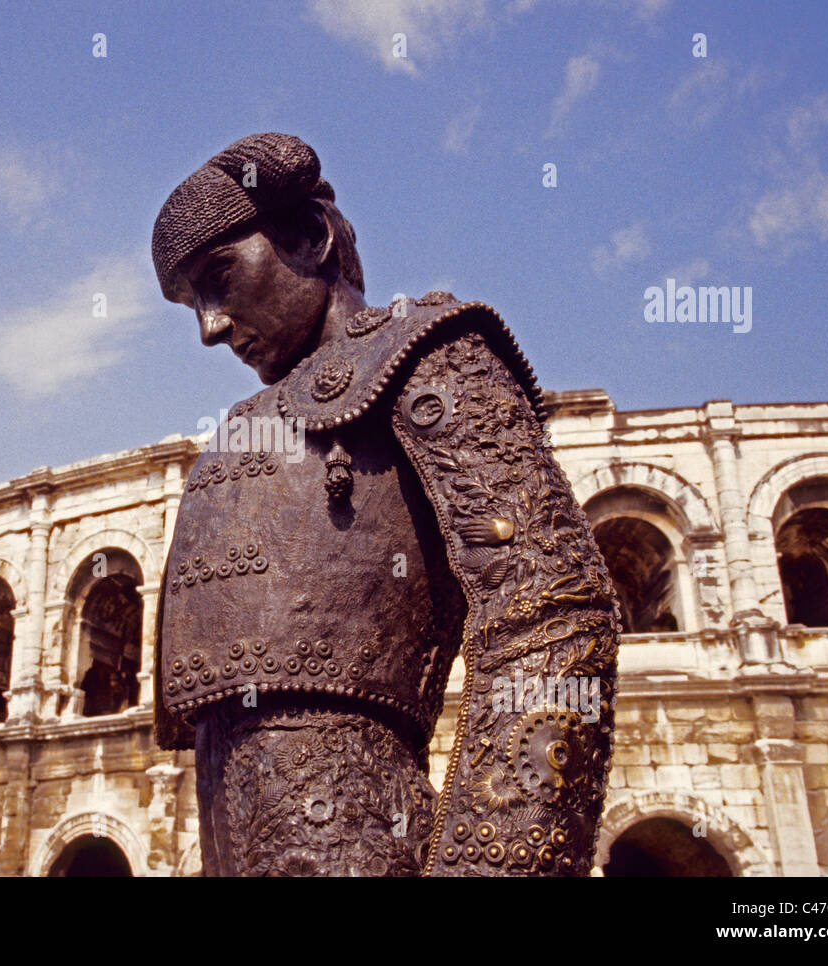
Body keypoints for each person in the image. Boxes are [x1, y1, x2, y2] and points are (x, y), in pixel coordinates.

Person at [151, 133, 620, 876]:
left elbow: (551, 609)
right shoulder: (246, 428)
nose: (209, 328)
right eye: (189, 304)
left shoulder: (431, 353)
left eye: (219, 277)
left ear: (308, 237)